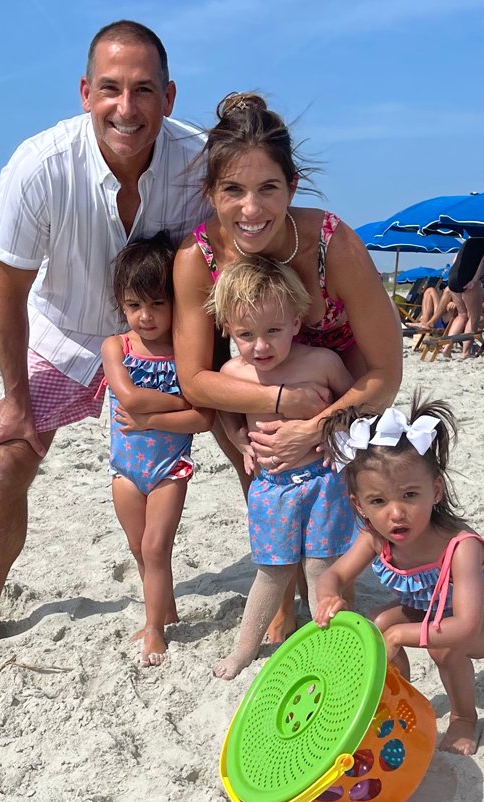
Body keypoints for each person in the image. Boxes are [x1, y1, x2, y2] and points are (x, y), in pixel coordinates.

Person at [0, 20, 207, 642]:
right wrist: (15, 398)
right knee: (9, 457)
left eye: (143, 90)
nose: (126, 108)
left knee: (248, 440)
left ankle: (282, 603)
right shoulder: (39, 166)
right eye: (111, 88)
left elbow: (233, 253)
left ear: (169, 97)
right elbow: (7, 289)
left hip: (162, 336)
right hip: (63, 332)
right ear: (85, 93)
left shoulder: (199, 162)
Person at [172, 92, 402, 636]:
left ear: (292, 187)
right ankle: (280, 600)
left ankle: (332, 599)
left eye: (268, 188)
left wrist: (318, 426)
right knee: (262, 480)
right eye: (233, 190)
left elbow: (385, 374)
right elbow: (195, 379)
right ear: (210, 193)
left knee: (341, 503)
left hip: (341, 389)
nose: (251, 209)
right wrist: (280, 402)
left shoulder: (332, 245)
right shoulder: (197, 259)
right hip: (252, 386)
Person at [315, 396, 484, 756]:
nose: (396, 513)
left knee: (445, 648)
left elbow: (466, 626)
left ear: (436, 491)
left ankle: (464, 718)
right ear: (359, 505)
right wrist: (328, 595)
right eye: (378, 501)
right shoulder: (374, 536)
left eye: (410, 495)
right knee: (375, 625)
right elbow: (333, 574)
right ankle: (400, 698)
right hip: (435, 610)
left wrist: (402, 634)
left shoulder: (460, 547)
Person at [205, 257, 356, 679]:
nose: (261, 346)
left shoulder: (321, 362)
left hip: (324, 481)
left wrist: (326, 431)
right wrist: (238, 438)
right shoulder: (233, 372)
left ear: (295, 322)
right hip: (272, 487)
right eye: (246, 335)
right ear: (227, 329)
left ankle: (332, 643)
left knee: (322, 567)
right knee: (272, 571)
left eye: (273, 331)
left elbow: (355, 406)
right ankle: (245, 648)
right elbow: (222, 410)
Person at [101, 234, 213, 667]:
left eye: (157, 304)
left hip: (169, 468)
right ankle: (164, 610)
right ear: (121, 304)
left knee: (155, 548)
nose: (145, 316)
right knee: (137, 546)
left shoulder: (186, 355)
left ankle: (153, 630)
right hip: (126, 469)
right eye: (134, 305)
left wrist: (152, 419)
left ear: (175, 303)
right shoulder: (117, 346)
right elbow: (129, 397)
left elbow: (203, 419)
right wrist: (179, 403)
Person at [444, 237, 484, 357]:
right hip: (469, 278)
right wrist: (475, 279)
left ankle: (447, 348)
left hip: (453, 277)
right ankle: (465, 352)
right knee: (473, 317)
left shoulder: (468, 241)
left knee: (462, 315)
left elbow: (455, 260)